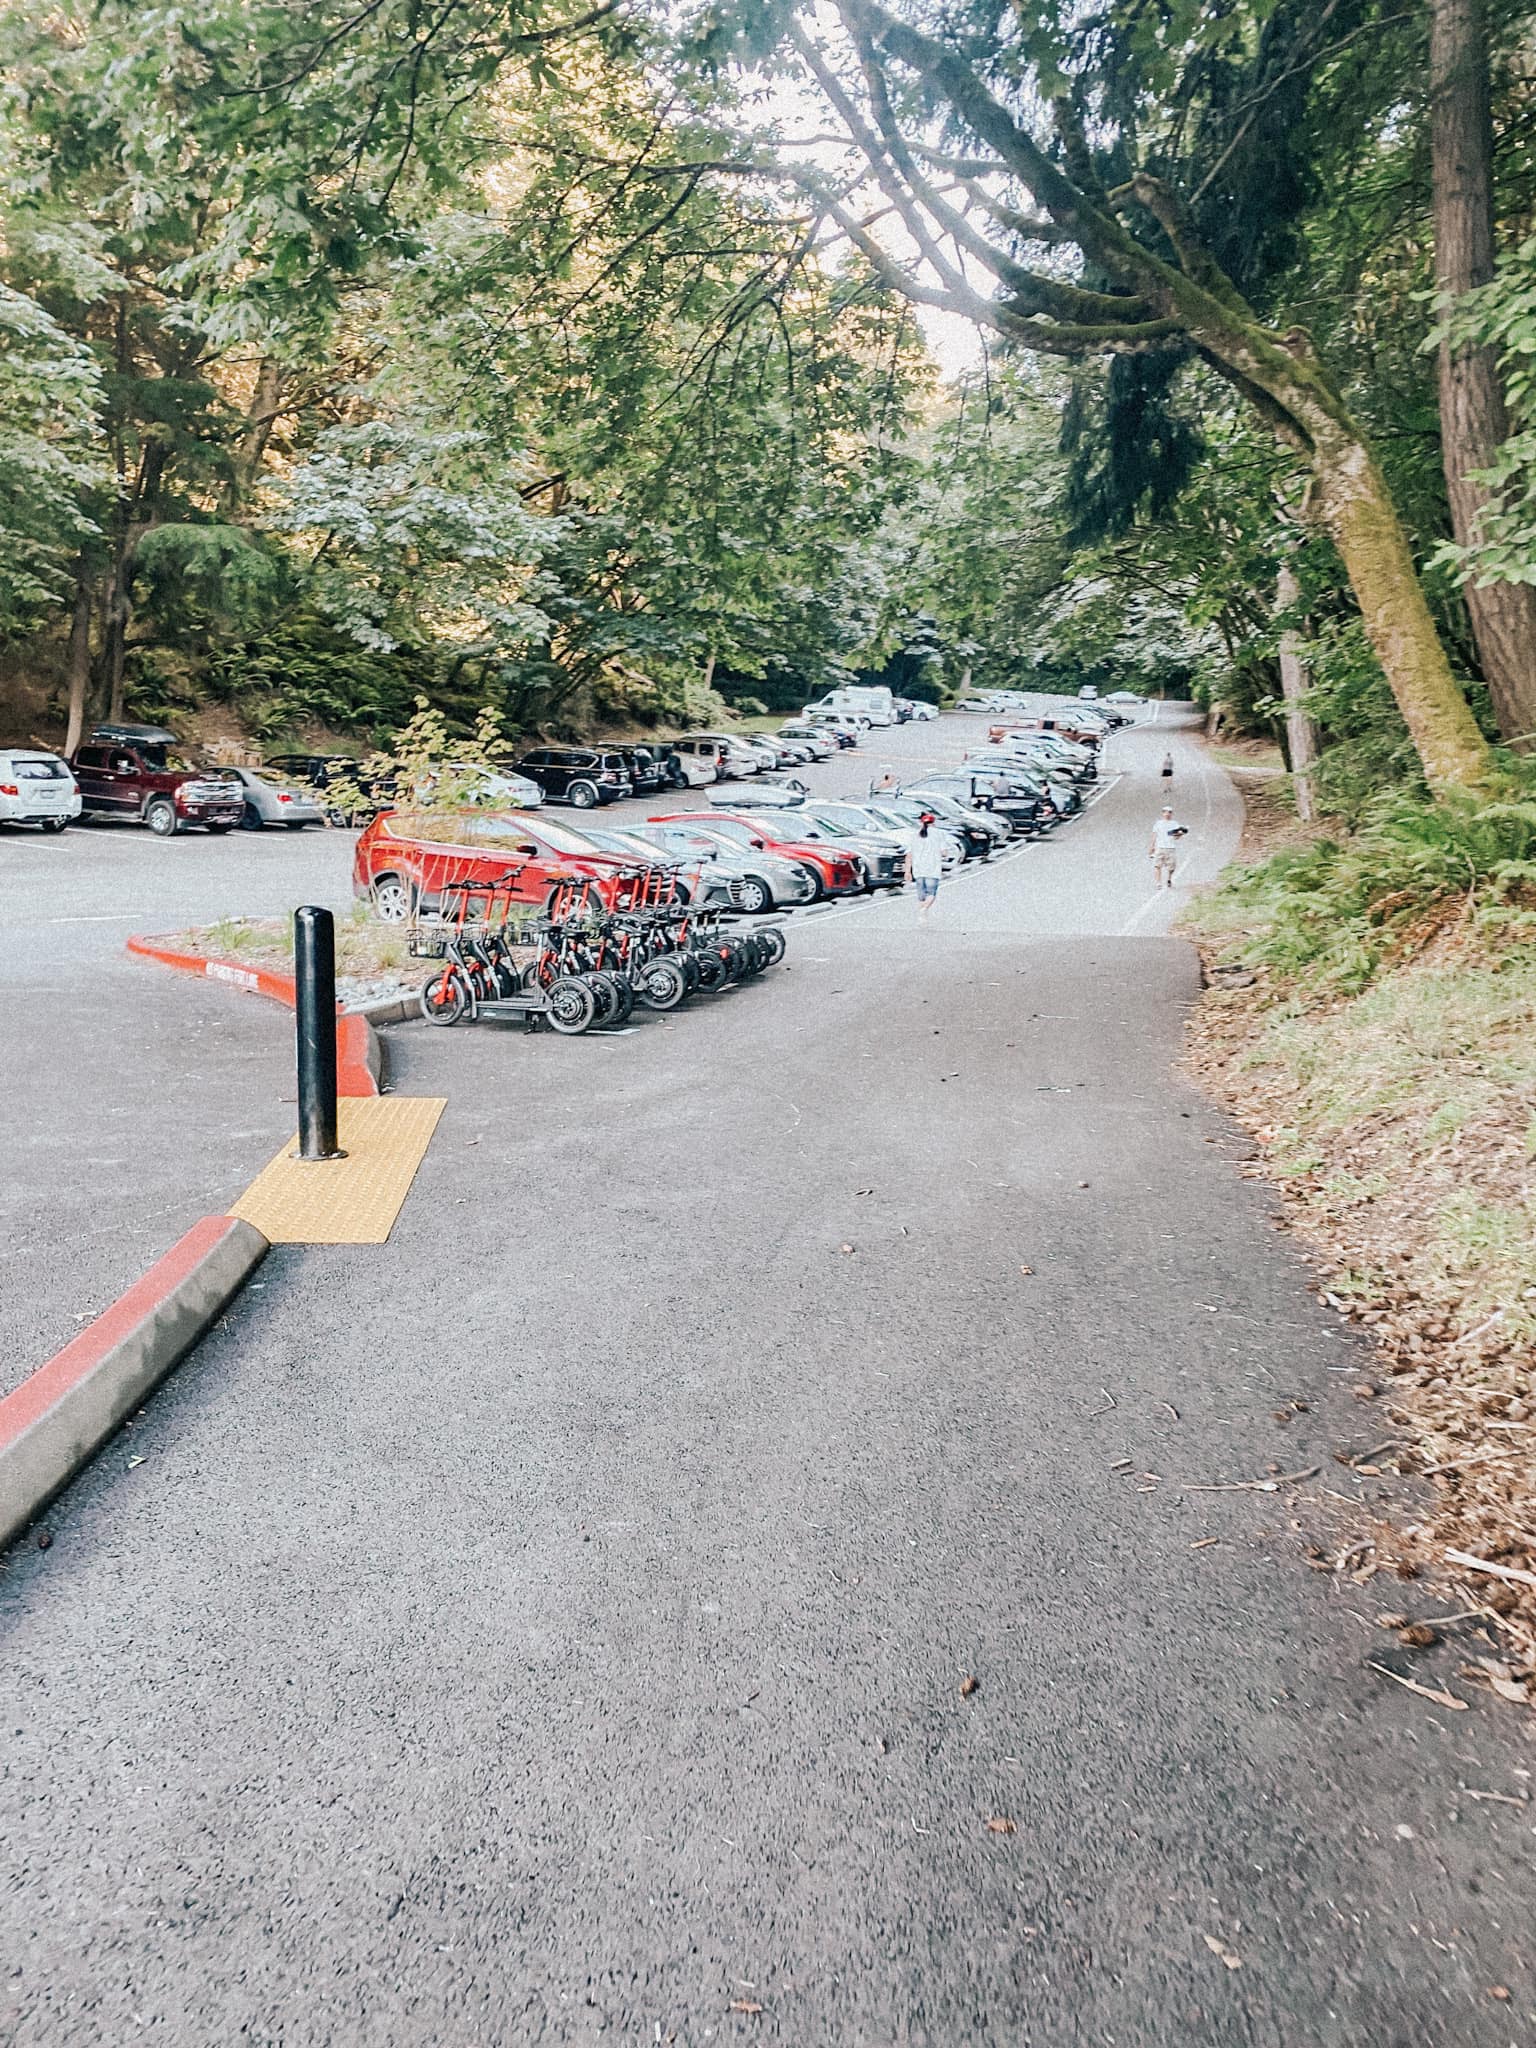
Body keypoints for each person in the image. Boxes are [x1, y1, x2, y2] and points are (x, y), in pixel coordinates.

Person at [906, 810, 945, 919]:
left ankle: (923, 915)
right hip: (933, 869)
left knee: (921, 895)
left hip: (918, 869)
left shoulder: (914, 835)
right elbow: (944, 852)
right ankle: (924, 909)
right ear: (933, 822)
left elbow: (909, 854)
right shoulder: (939, 833)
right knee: (931, 893)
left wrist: (907, 871)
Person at [1149, 805, 1187, 889]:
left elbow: (1176, 837)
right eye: (1165, 812)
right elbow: (1154, 835)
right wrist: (1152, 846)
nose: (1167, 814)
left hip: (1170, 847)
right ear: (1162, 813)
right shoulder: (1158, 824)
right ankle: (1158, 883)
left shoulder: (1175, 824)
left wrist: (1180, 834)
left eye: (1169, 812)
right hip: (1160, 847)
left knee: (1172, 867)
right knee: (1157, 865)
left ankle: (1169, 879)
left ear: (1171, 814)